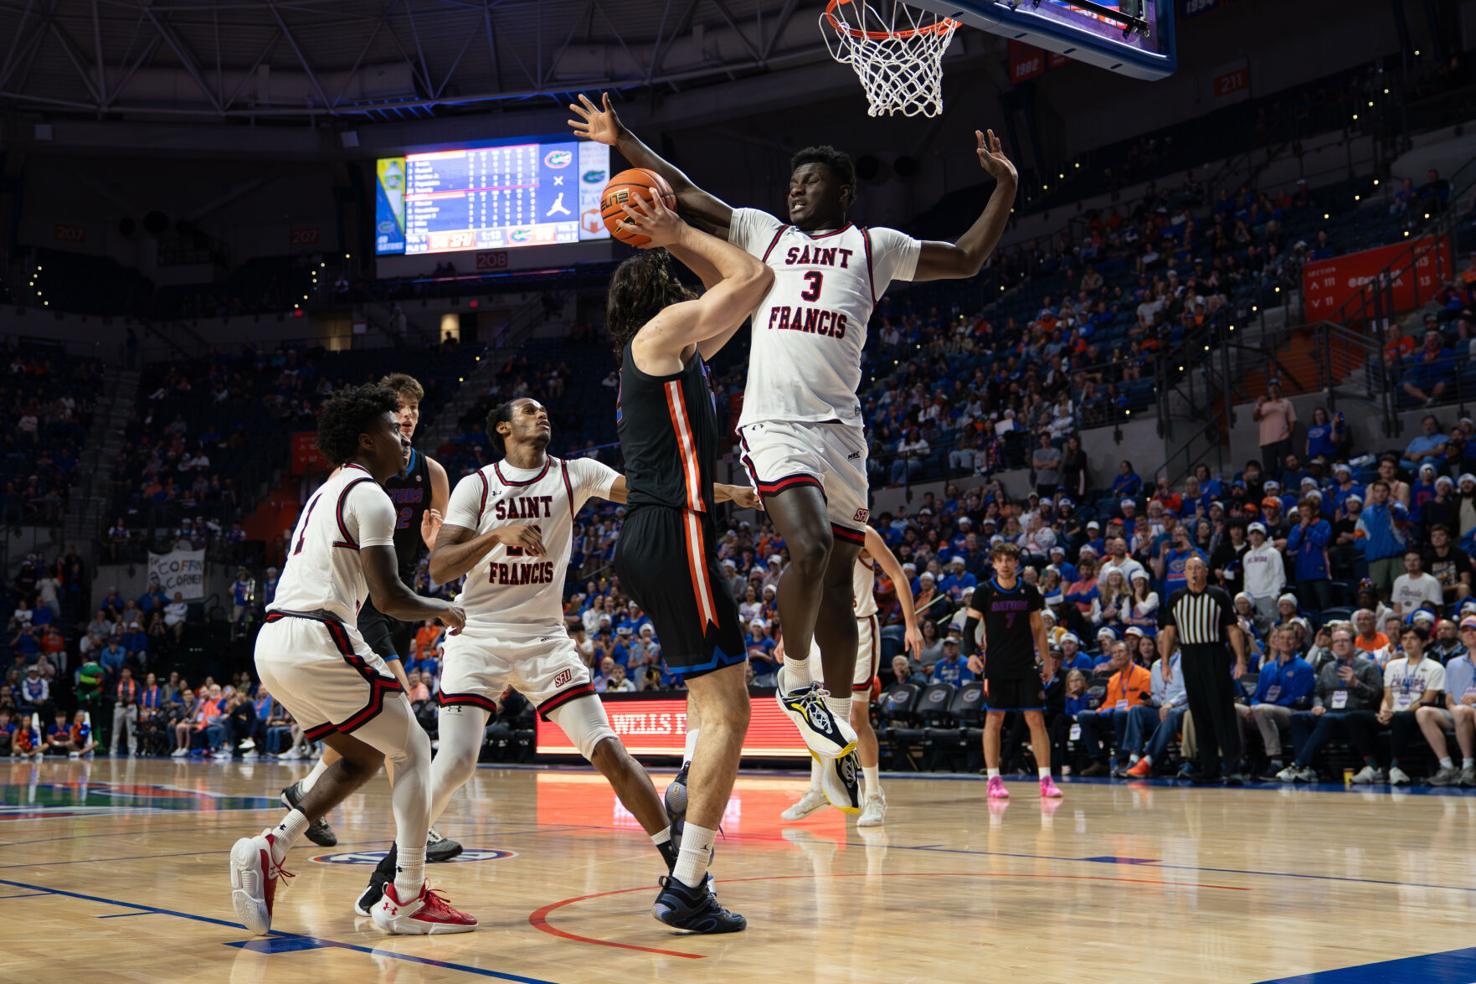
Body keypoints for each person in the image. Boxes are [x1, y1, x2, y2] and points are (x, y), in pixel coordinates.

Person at [569, 92, 1018, 796]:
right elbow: (685, 194)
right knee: (807, 547)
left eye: (808, 183)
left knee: (840, 583)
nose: (795, 192)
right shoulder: (764, 233)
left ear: (842, 190)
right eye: (791, 184)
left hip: (843, 432)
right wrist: (623, 138)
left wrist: (1008, 188)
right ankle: (795, 675)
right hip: (774, 424)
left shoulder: (875, 246)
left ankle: (834, 727)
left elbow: (964, 259)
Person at [354, 396, 756, 922]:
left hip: (545, 640)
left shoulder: (576, 474)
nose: (541, 414)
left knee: (609, 750)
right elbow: (441, 568)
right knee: (455, 762)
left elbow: (656, 491)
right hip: (478, 637)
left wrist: (732, 494)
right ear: (502, 427)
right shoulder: (477, 485)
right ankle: (391, 872)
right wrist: (496, 534)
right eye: (527, 410)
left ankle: (682, 875)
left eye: (545, 409)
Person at [227, 384, 474, 937]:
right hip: (320, 634)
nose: (401, 438)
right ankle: (406, 894)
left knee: (361, 757)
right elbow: (389, 598)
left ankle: (272, 845)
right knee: (412, 749)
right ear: (367, 439)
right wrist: (446, 611)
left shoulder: (326, 490)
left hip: (275, 642)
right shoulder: (372, 496)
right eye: (392, 428)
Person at [600, 191, 773, 932]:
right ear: (664, 289)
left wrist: (728, 490)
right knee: (734, 710)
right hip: (675, 536)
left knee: (711, 701)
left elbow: (738, 300)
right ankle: (688, 885)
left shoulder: (674, 355)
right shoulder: (664, 330)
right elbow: (754, 277)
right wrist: (678, 233)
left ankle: (681, 790)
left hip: (656, 531)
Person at [282, 372, 457, 859]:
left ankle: (306, 793)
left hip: (398, 592)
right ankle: (417, 835)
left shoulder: (432, 474)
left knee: (370, 723)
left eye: (414, 411)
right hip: (368, 597)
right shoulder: (354, 479)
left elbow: (442, 553)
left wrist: (437, 548)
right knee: (401, 718)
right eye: (398, 408)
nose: (407, 418)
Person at [782, 524, 923, 827]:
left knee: (857, 717)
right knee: (816, 715)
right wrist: (790, 632)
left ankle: (873, 795)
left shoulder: (863, 533)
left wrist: (911, 624)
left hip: (858, 628)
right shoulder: (810, 528)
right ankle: (817, 789)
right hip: (819, 627)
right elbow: (803, 585)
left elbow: (897, 574)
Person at [962, 542, 1064, 799]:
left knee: (1036, 719)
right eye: (1000, 559)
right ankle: (993, 779)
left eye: (1010, 559)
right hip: (996, 666)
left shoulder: (1029, 591)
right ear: (994, 563)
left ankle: (1045, 779)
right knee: (994, 720)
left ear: (1017, 563)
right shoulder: (984, 591)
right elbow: (968, 628)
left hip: (1026, 664)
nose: (1005, 564)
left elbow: (1038, 628)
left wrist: (1047, 660)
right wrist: (971, 654)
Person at [1158, 556, 1249, 785]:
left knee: (1223, 711)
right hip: (1189, 655)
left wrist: (1240, 660)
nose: (1194, 571)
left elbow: (1233, 629)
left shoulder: (1218, 595)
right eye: (1189, 568)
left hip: (1214, 653)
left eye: (1198, 567)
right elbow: (1169, 632)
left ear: (1206, 571)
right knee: (1199, 713)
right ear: (1184, 573)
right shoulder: (1176, 598)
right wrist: (1166, 661)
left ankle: (1233, 766)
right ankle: (1209, 767)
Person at [1275, 631, 1384, 783]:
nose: (1340, 644)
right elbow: (1317, 693)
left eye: (1344, 640)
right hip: (1330, 712)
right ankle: (1308, 769)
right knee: (1298, 717)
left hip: (1357, 713)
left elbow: (1376, 696)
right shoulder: (1328, 668)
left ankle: (1299, 765)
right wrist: (1318, 705)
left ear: (1354, 644)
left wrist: (1356, 684)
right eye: (1336, 641)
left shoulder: (1368, 667)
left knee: (1328, 718)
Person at [1235, 625, 1316, 778]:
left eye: (1290, 638)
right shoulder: (1267, 667)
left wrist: (1262, 707)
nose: (1286, 641)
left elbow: (1297, 698)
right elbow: (1257, 694)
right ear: (1276, 642)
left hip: (1289, 711)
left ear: (1297, 643)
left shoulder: (1304, 667)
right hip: (1262, 710)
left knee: (1262, 709)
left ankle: (1276, 760)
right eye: (1282, 638)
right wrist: (1253, 706)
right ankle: (1239, 758)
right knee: (1233, 708)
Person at [1379, 625, 1446, 785]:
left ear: (1424, 642)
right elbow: (1388, 694)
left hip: (1416, 716)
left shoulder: (1435, 667)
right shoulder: (1392, 665)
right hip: (1393, 713)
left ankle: (1395, 768)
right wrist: (1384, 711)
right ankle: (1373, 767)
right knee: (1356, 718)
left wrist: (1397, 714)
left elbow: (1427, 699)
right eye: (1405, 638)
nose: (1408, 642)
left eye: (1413, 638)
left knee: (1401, 718)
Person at [1073, 642, 1152, 777]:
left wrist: (1127, 708)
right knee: (1084, 715)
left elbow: (1146, 701)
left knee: (1119, 714)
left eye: (1120, 651)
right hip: (1115, 715)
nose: (1117, 655)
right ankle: (1099, 761)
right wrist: (1101, 709)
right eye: (1114, 653)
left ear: (1129, 654)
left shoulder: (1144, 675)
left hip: (1133, 717)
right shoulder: (1113, 679)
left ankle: (1123, 760)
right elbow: (1109, 703)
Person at [1417, 615, 1476, 786]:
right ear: (1460, 636)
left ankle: (1468, 767)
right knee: (1424, 712)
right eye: (1466, 630)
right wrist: (1452, 708)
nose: (1470, 633)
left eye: (1474, 630)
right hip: (1459, 713)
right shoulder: (1453, 663)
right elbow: (1449, 697)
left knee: (1461, 711)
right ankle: (1447, 767)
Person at [1122, 645, 1190, 778]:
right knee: (1136, 710)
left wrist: (1171, 703)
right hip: (1163, 710)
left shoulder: (1186, 660)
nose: (1161, 645)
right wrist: (1151, 701)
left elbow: (1190, 689)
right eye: (1159, 642)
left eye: (1164, 641)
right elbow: (1159, 697)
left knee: (1171, 713)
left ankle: (1148, 760)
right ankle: (1134, 758)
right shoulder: (1155, 665)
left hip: (1182, 710)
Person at [1253, 381, 1296, 467]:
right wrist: (1259, 405)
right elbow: (1255, 418)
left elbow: (1292, 421)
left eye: (1276, 387)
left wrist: (1288, 436)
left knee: (1286, 466)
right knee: (1270, 468)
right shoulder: (1262, 403)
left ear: (1280, 389)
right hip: (1266, 442)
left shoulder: (1286, 402)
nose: (1273, 389)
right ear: (1268, 390)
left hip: (1283, 440)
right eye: (1271, 387)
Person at [1391, 550, 1444, 616]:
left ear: (1422, 562)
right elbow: (1397, 604)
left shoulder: (1431, 581)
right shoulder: (1399, 580)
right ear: (1404, 563)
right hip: (1402, 619)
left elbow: (1436, 608)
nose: (1411, 563)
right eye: (1408, 560)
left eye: (1415, 560)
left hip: (1422, 619)